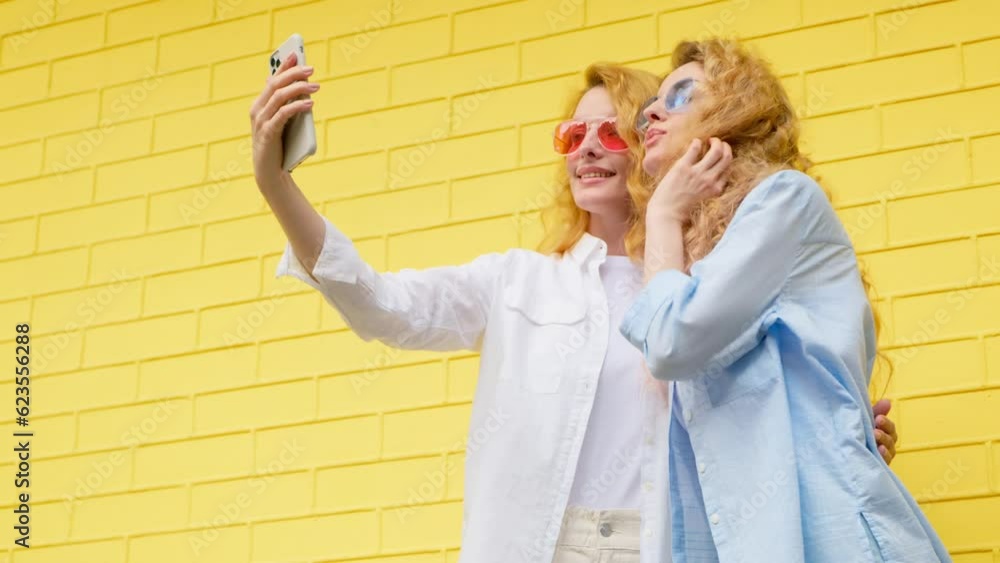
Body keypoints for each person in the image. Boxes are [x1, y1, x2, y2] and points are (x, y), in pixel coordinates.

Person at [248, 51, 899, 563]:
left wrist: (836, 435)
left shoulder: (702, 285)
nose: (586, 148)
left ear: (651, 141)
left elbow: (769, 408)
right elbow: (381, 305)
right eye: (572, 135)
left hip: (667, 545)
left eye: (609, 132)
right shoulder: (518, 283)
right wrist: (275, 184)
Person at [619, 38, 948, 562]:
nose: (653, 113)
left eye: (681, 94)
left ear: (734, 111)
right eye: (648, 109)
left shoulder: (784, 199)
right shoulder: (690, 263)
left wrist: (662, 215)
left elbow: (671, 345)